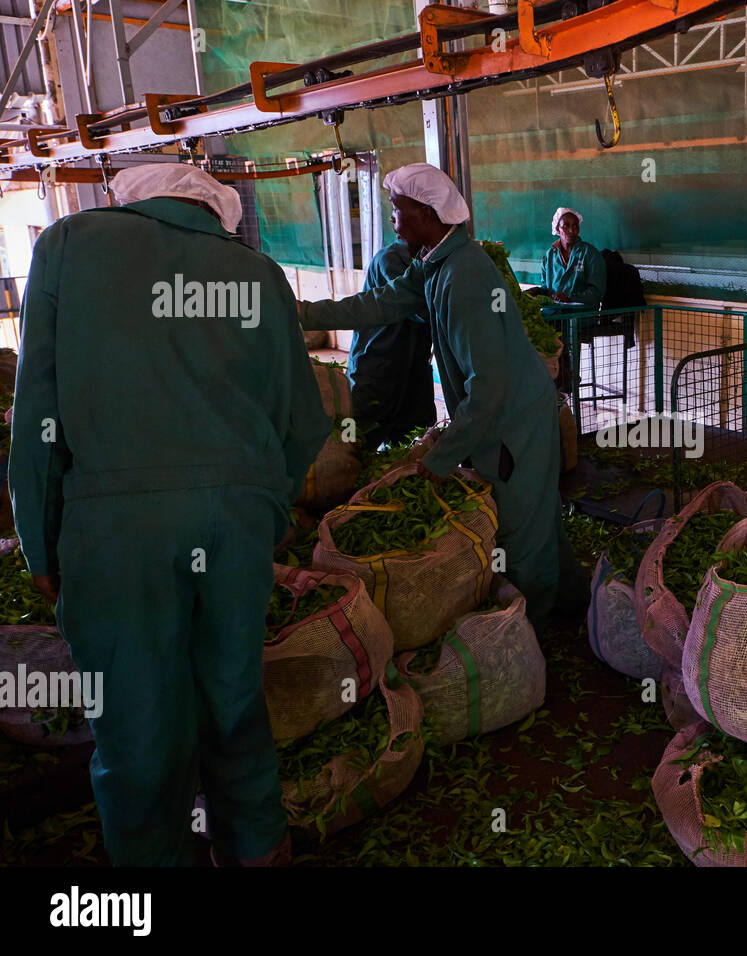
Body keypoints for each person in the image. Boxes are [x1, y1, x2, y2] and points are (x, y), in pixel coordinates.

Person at [7, 162, 331, 866]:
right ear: (211, 212)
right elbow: (306, 424)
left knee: (136, 725)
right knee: (235, 701)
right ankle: (256, 850)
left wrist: (41, 545)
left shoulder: (66, 245)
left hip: (115, 535)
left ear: (130, 201)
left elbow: (37, 421)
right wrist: (260, 512)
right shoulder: (260, 275)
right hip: (234, 526)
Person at [299, 163, 588, 632]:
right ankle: (574, 602)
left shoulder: (464, 277)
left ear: (427, 214)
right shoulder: (435, 262)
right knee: (539, 511)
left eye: (398, 210)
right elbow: (379, 303)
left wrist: (441, 458)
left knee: (520, 526)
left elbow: (488, 386)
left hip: (515, 416)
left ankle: (531, 633)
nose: (392, 220)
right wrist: (303, 314)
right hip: (506, 406)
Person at [348, 235, 438, 450]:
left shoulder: (431, 258)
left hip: (414, 369)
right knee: (357, 445)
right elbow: (417, 308)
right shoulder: (390, 259)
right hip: (377, 368)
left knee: (414, 444)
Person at [534, 207, 606, 308]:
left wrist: (570, 298)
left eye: (575, 226)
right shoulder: (548, 256)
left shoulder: (590, 254)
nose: (571, 231)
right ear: (557, 229)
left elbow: (596, 293)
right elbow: (546, 290)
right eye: (566, 226)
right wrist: (536, 291)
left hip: (581, 317)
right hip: (554, 316)